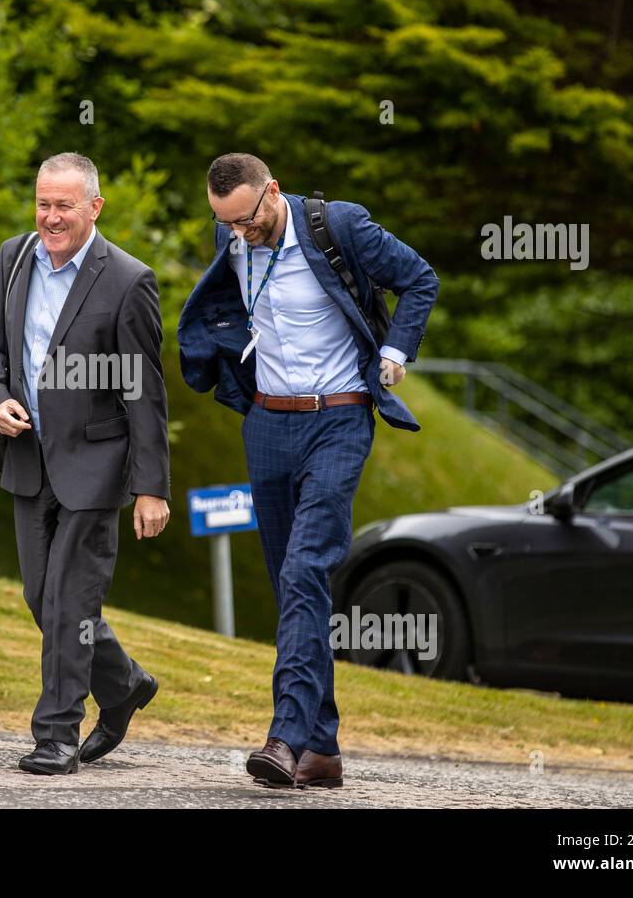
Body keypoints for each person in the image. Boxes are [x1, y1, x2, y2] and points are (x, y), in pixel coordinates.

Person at [177, 153, 439, 789]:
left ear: (272, 192)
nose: (239, 234)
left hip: (339, 419)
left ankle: (286, 738)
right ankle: (323, 750)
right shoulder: (230, 235)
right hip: (267, 422)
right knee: (293, 585)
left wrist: (397, 349)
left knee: (304, 569)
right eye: (226, 225)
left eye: (247, 220)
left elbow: (420, 278)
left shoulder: (338, 227)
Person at [0, 152, 171, 775]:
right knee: (40, 597)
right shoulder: (13, 258)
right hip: (28, 460)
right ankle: (124, 683)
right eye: (43, 204)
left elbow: (145, 391)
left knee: (68, 602)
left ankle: (56, 733)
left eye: (64, 205)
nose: (51, 217)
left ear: (94, 207)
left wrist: (151, 488)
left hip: (95, 467)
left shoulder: (129, 280)